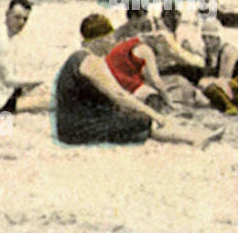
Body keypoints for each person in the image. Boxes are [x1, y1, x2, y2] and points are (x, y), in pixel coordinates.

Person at [53, 14, 222, 147]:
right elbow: (119, 95)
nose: (113, 41)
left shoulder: (81, 57)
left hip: (73, 124)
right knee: (144, 121)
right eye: (109, 38)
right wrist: (155, 115)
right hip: (79, 128)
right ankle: (192, 138)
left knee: (139, 115)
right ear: (99, 40)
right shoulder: (91, 61)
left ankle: (192, 131)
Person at [198, 18, 238, 114]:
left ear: (217, 38)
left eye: (210, 37)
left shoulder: (228, 51)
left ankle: (233, 107)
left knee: (208, 86)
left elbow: (225, 79)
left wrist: (205, 82)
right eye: (204, 37)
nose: (207, 41)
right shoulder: (207, 51)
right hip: (227, 86)